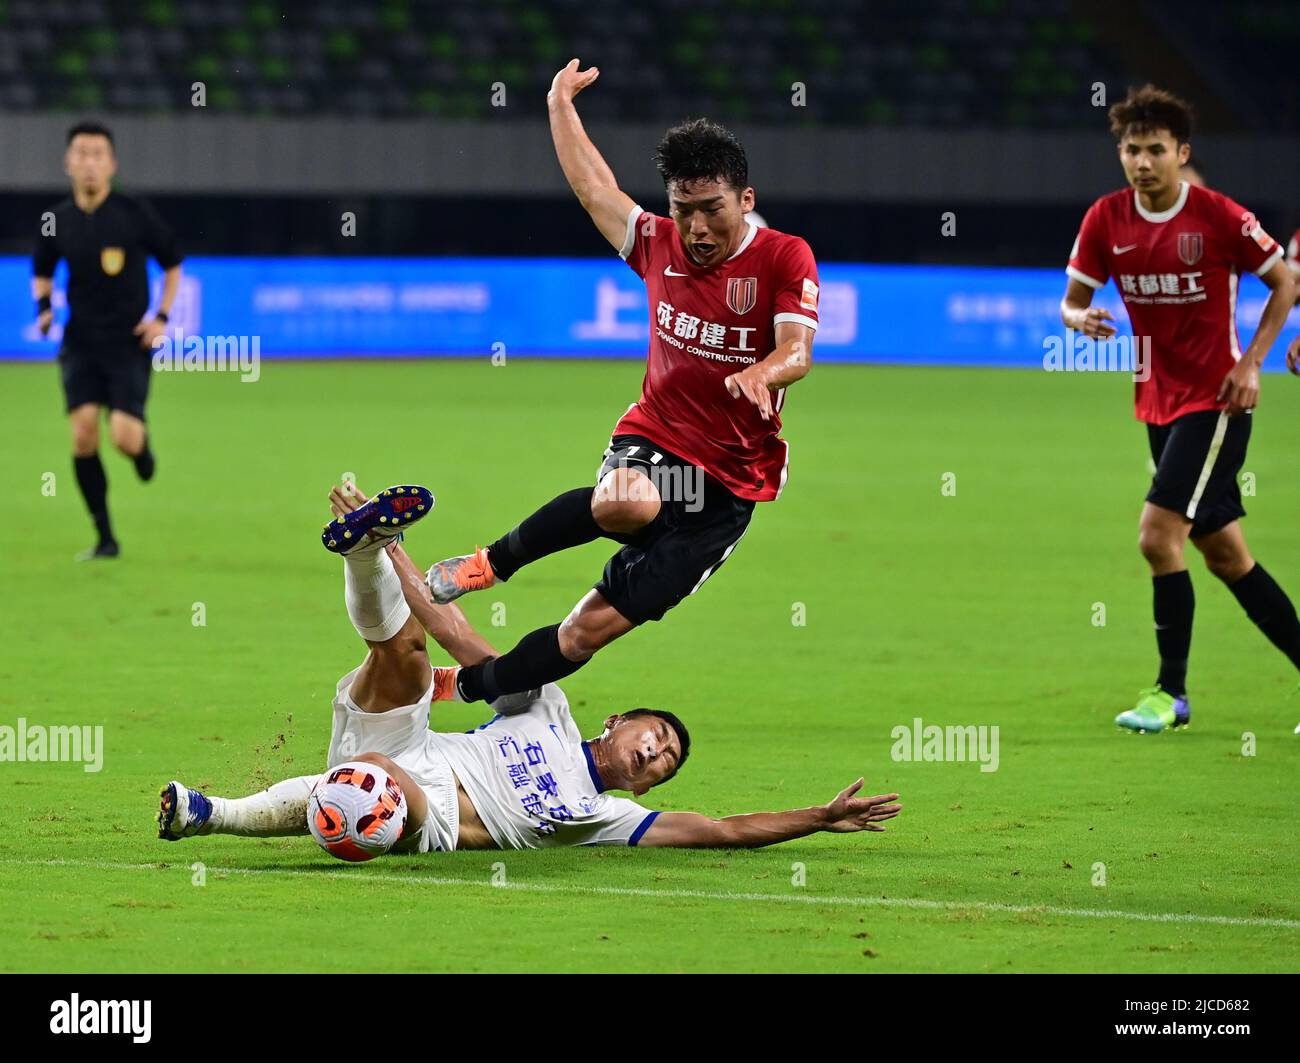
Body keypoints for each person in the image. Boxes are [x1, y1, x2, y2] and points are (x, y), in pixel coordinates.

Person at [158, 483, 901, 852]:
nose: (657, 753)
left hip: (427, 812)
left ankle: (207, 812)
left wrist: (819, 816)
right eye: (658, 735)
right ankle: (360, 549)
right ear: (619, 720)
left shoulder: (607, 816)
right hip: (415, 746)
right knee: (408, 653)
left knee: (372, 790)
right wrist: (393, 549)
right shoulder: (543, 704)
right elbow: (453, 630)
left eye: (665, 762)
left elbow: (725, 829)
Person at [422, 59, 821, 707]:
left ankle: (459, 686)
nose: (695, 228)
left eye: (711, 210)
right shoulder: (657, 244)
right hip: (655, 439)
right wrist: (558, 103)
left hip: (726, 488)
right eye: (682, 209)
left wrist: (763, 371)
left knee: (583, 634)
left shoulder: (783, 256)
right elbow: (593, 188)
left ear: (745, 201)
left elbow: (797, 350)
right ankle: (488, 564)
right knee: (626, 502)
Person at [1059, 85, 1300, 733]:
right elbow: (1071, 300)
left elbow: (1286, 281)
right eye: (1132, 150)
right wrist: (1081, 319)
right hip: (1157, 403)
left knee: (1156, 535)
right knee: (1225, 554)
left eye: (1155, 150)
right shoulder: (1106, 219)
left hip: (1216, 400)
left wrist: (1251, 363)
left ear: (1181, 153)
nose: (1142, 162)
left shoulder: (1219, 216)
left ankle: (1170, 692)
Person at [32, 120, 183, 560]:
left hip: (127, 343)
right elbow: (41, 270)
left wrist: (160, 318)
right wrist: (43, 311)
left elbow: (173, 264)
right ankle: (105, 538)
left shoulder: (134, 214)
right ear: (68, 162)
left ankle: (142, 451)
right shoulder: (55, 221)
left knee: (122, 437)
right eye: (81, 153)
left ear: (112, 164)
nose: (89, 163)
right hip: (80, 342)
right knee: (82, 435)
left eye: (98, 154)